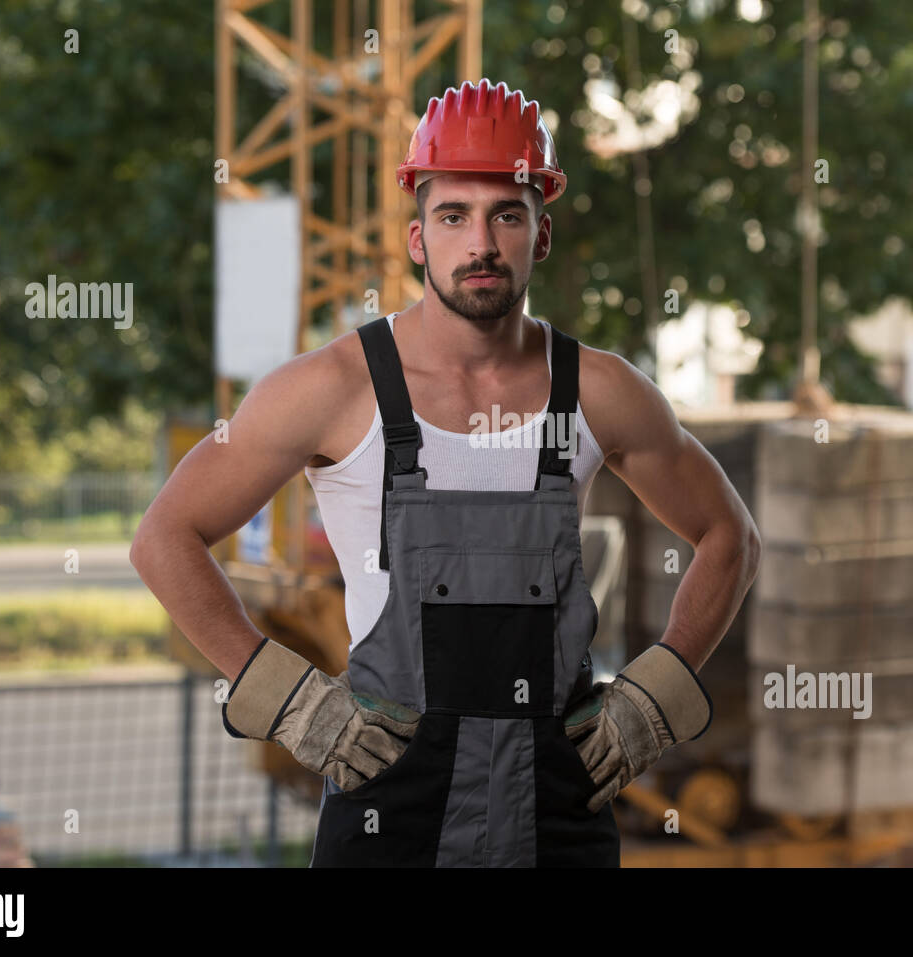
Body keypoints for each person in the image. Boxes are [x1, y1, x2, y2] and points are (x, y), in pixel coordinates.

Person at [130, 78, 762, 867]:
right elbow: (163, 537)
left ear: (543, 231)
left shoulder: (602, 393)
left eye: (508, 213)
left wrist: (655, 696)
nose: (482, 244)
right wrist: (288, 700)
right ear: (417, 237)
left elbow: (730, 537)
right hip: (386, 802)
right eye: (453, 215)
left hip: (558, 805)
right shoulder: (331, 389)